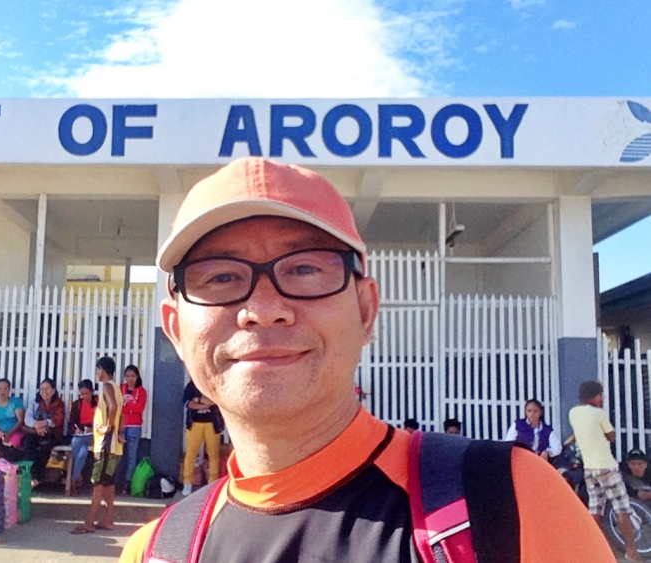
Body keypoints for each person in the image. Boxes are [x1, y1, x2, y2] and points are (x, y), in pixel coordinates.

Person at [120, 157, 614, 563]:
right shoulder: (155, 552)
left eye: (304, 268)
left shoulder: (509, 503)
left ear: (365, 310)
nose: (263, 310)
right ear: (177, 329)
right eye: (221, 277)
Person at [570, 380, 641, 562]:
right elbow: (611, 437)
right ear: (593, 396)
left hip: (590, 469)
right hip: (606, 467)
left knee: (595, 509)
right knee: (621, 509)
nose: (601, 398)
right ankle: (631, 551)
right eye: (600, 395)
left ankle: (591, 548)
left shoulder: (573, 413)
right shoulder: (598, 413)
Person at [72, 356, 123, 534]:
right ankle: (108, 519)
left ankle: (89, 522)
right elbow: (119, 412)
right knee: (108, 483)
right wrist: (119, 431)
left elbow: (113, 407)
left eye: (98, 369)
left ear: (102, 369)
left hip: (104, 442)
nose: (97, 373)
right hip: (114, 443)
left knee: (98, 482)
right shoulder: (117, 387)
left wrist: (107, 427)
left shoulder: (107, 386)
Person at [181, 380, 224, 496]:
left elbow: (217, 401)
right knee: (190, 454)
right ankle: (187, 482)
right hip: (194, 423)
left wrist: (198, 400)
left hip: (212, 423)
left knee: (213, 454)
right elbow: (188, 404)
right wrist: (205, 403)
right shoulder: (191, 386)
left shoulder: (213, 384)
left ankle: (213, 483)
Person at [23, 378, 65, 485]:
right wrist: (36, 425)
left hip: (52, 434)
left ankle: (37, 477)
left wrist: (43, 423)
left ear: (53, 390)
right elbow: (27, 418)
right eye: (41, 389)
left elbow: (57, 420)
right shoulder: (35, 403)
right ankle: (29, 475)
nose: (44, 392)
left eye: (47, 389)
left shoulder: (58, 403)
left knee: (45, 446)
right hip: (35, 432)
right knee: (28, 442)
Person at [115, 364, 147, 495]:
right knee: (118, 456)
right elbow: (116, 406)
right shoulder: (120, 389)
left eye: (133, 376)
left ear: (137, 376)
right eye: (127, 376)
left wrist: (126, 407)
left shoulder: (141, 391)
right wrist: (129, 408)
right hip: (120, 426)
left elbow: (139, 409)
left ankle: (127, 484)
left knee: (131, 456)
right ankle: (114, 483)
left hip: (134, 427)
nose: (130, 379)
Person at [68, 379, 97, 495]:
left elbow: (102, 422)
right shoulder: (77, 404)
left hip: (94, 434)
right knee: (82, 451)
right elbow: (71, 422)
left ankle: (73, 478)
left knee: (77, 443)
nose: (84, 396)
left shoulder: (98, 403)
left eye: (87, 394)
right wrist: (76, 429)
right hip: (81, 434)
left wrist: (93, 429)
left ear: (92, 392)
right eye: (82, 394)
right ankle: (76, 477)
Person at [0, 378, 25, 448]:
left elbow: (20, 421)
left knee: (10, 449)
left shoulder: (16, 401)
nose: (2, 391)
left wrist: (9, 434)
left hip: (15, 433)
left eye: (5, 389)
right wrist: (1, 434)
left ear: (9, 390)